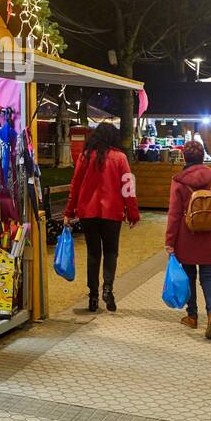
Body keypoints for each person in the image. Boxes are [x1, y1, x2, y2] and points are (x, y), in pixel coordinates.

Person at [64, 122, 140, 313]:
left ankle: (93, 296)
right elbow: (127, 187)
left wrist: (69, 211)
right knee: (111, 252)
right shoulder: (120, 158)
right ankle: (108, 288)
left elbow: (75, 185)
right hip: (112, 213)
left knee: (93, 253)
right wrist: (132, 213)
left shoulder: (85, 156)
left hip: (88, 212)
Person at [165, 140, 211, 339]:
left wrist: (169, 241)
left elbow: (173, 214)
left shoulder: (178, 181)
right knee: (208, 276)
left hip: (187, 236)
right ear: (203, 156)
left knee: (189, 276)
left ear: (184, 158)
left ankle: (192, 315)